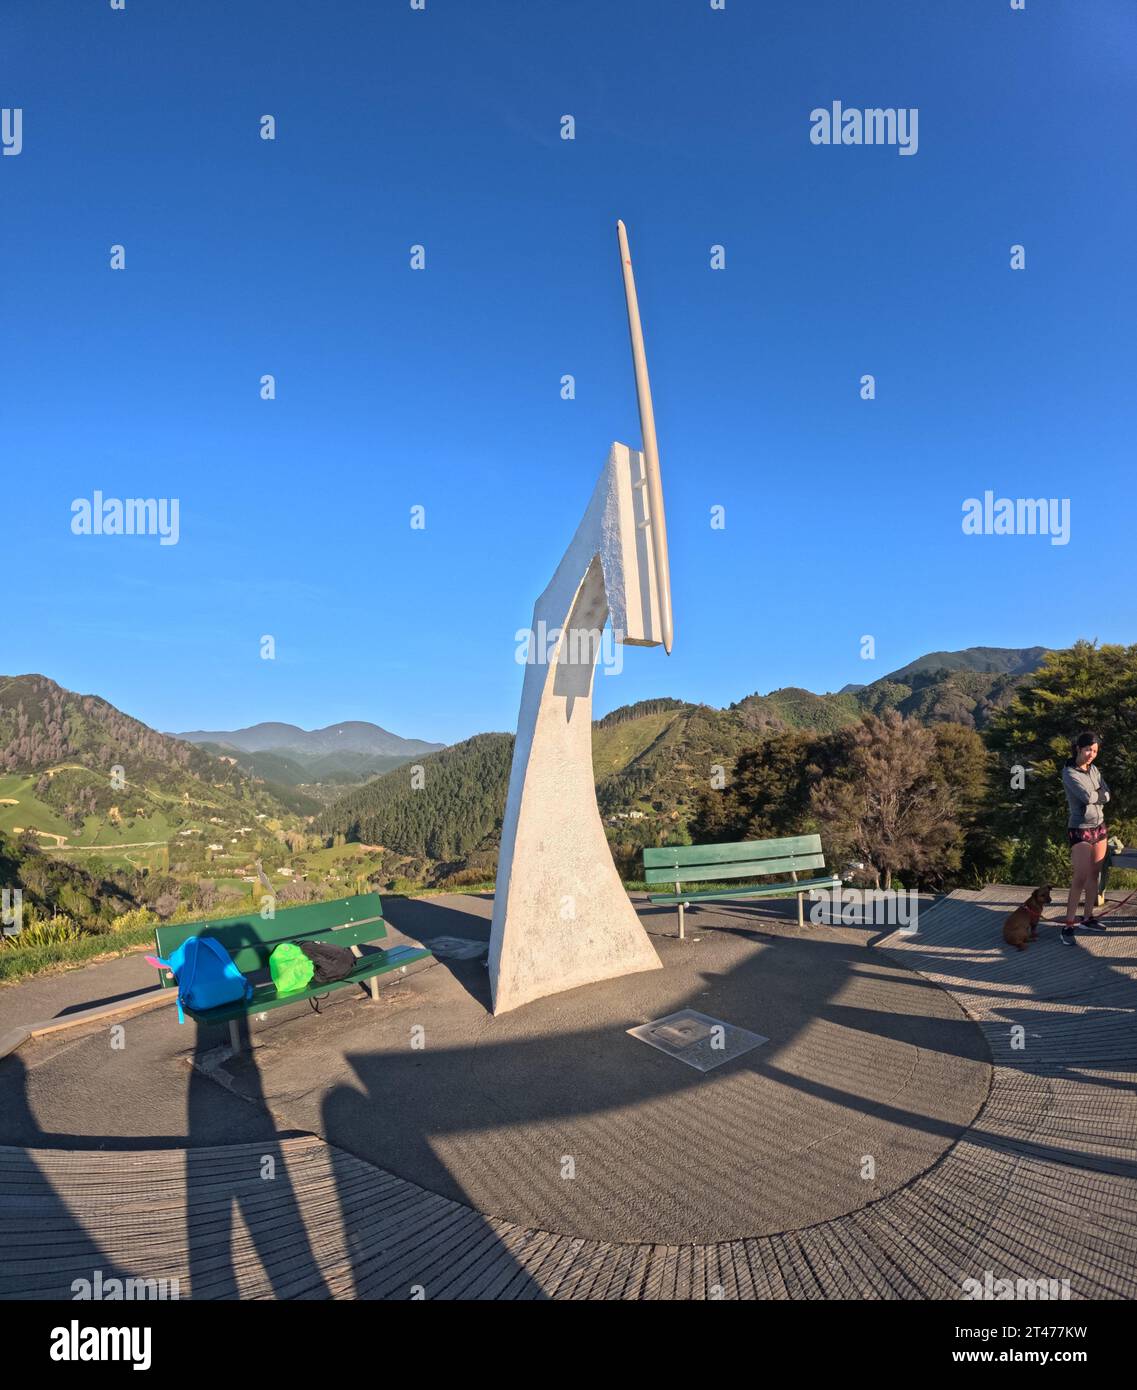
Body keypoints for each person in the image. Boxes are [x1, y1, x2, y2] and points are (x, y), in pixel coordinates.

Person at [1060, 731, 1110, 946]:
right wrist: (1099, 795)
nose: (1091, 754)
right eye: (1088, 749)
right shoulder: (1069, 773)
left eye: (1095, 750)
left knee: (1094, 875)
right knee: (1080, 878)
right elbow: (1088, 796)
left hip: (1099, 827)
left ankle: (1087, 918)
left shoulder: (1094, 769)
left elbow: (1107, 793)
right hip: (1080, 828)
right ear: (1079, 749)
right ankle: (1068, 925)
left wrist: (1099, 795)